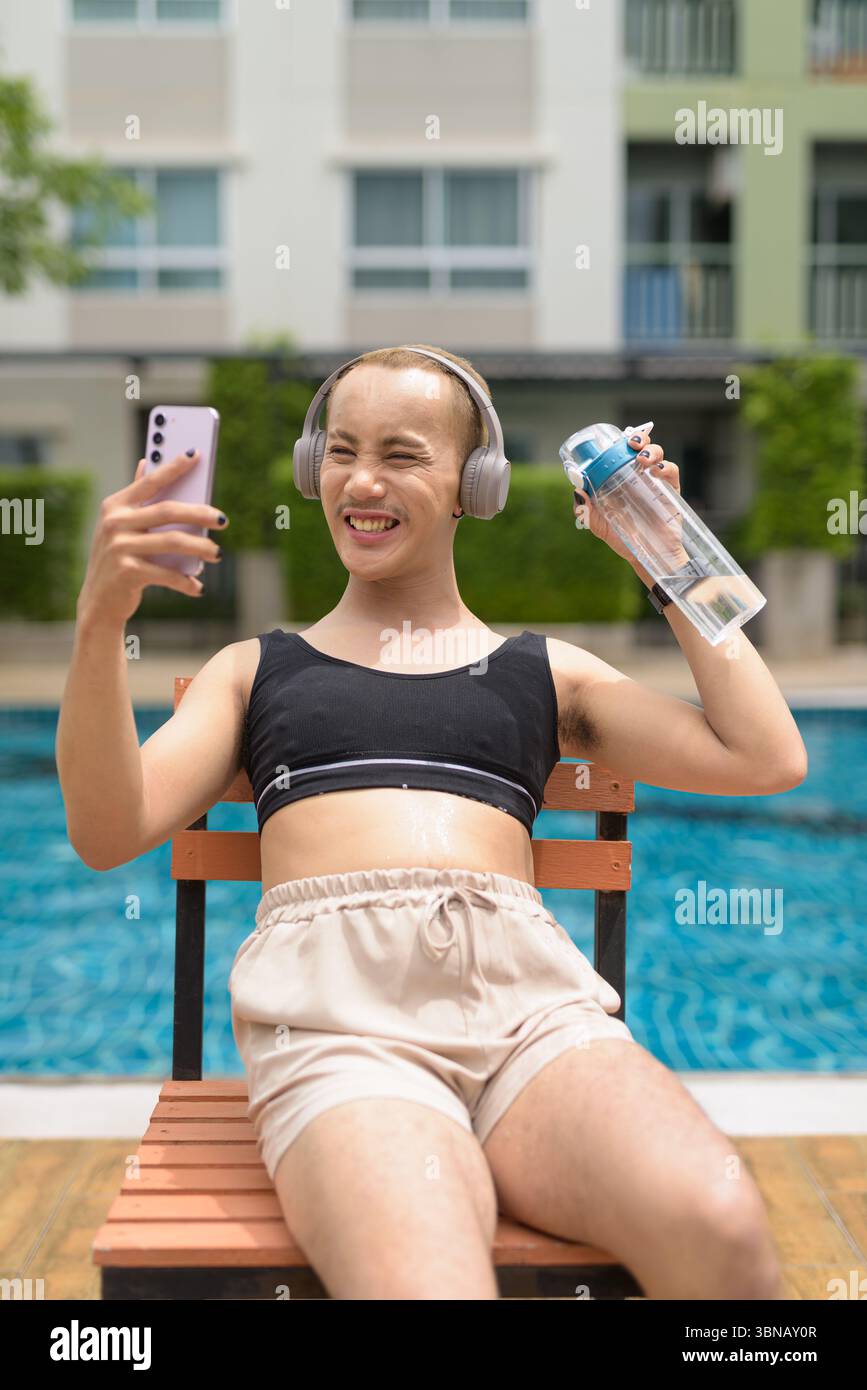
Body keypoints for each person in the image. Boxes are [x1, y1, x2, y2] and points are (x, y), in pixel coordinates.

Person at [56, 342, 807, 1301]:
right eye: (340, 450)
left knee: (721, 1224)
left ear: (473, 485)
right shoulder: (252, 672)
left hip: (531, 1021)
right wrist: (99, 616)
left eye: (403, 454)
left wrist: (661, 555)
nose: (361, 480)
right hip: (340, 1031)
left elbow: (765, 756)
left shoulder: (549, 673)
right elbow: (104, 829)